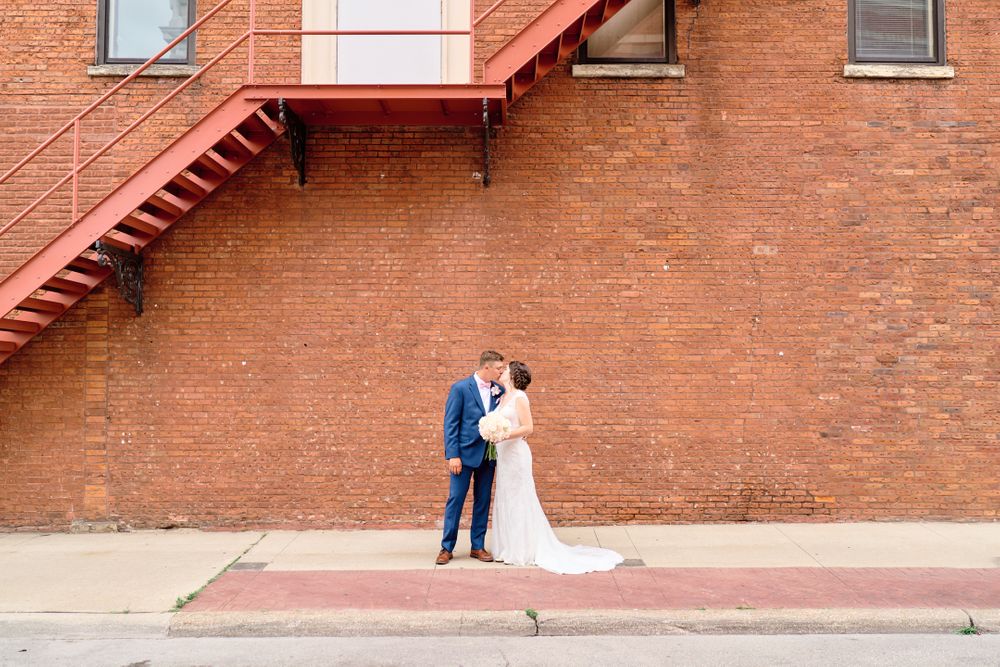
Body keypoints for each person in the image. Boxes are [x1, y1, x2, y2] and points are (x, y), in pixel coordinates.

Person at [491, 361, 623, 574]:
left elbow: (528, 427)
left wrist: (503, 435)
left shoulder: (520, 397)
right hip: (504, 456)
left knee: (519, 498)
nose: (502, 371)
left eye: (506, 369)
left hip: (516, 456)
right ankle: (508, 547)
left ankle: (521, 550)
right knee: (506, 497)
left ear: (513, 374)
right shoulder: (503, 397)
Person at [437, 350, 506, 565]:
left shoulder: (499, 390)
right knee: (456, 500)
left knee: (482, 501)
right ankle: (446, 547)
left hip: (488, 455)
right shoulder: (460, 388)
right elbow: (450, 423)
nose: (501, 371)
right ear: (486, 367)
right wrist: (453, 455)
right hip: (463, 456)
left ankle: (477, 546)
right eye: (498, 368)